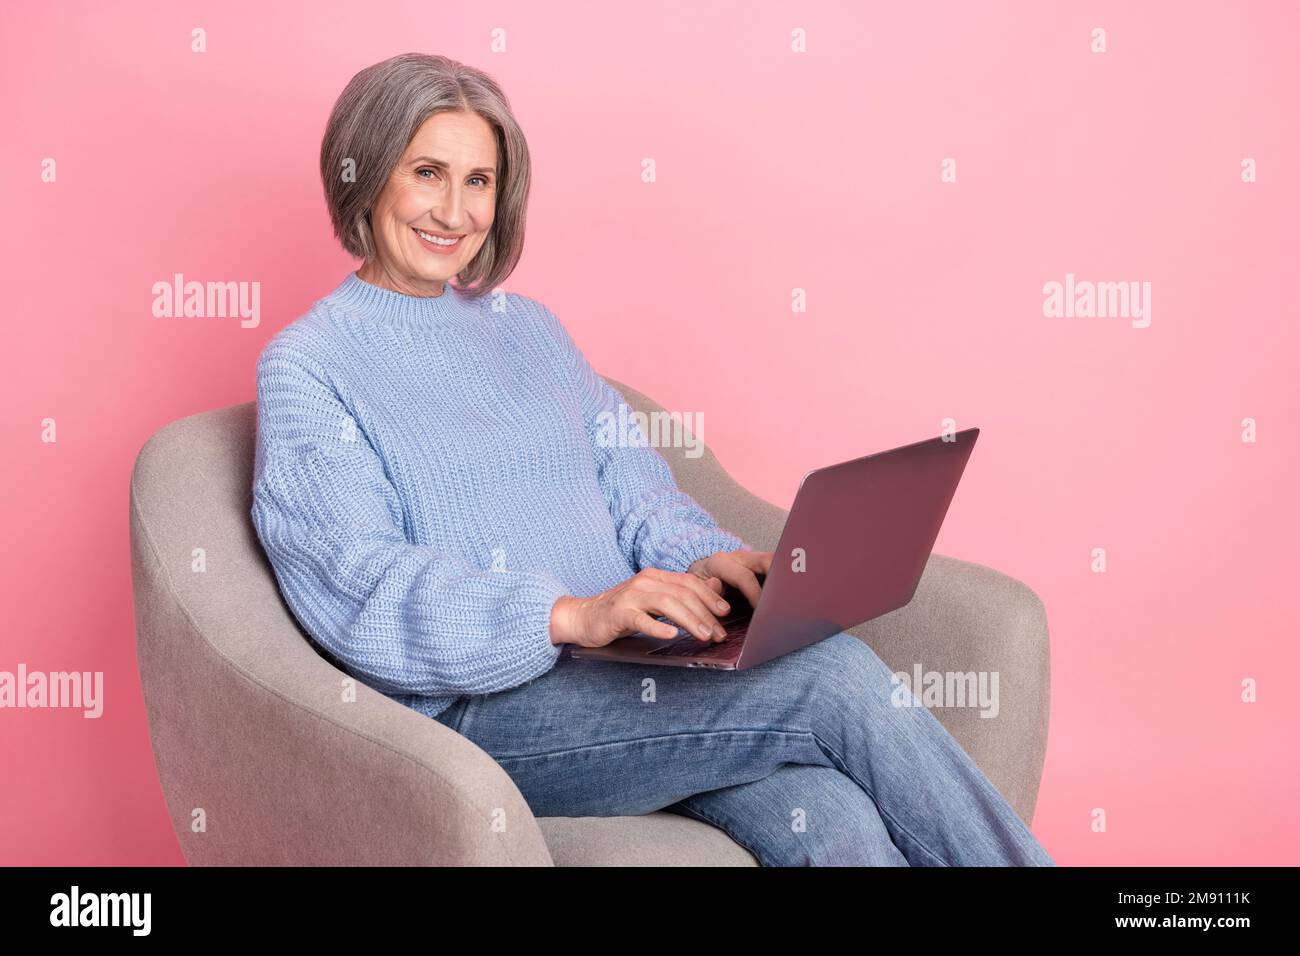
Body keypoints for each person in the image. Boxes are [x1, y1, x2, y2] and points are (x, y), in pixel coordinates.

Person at [251, 52, 1055, 866]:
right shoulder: (311, 366)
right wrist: (566, 613)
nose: (455, 211)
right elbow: (359, 585)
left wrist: (706, 561)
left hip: (620, 674)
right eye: (427, 173)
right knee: (833, 679)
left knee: (831, 815)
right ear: (366, 173)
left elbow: (632, 488)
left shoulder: (528, 328)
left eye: (480, 181)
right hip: (478, 713)